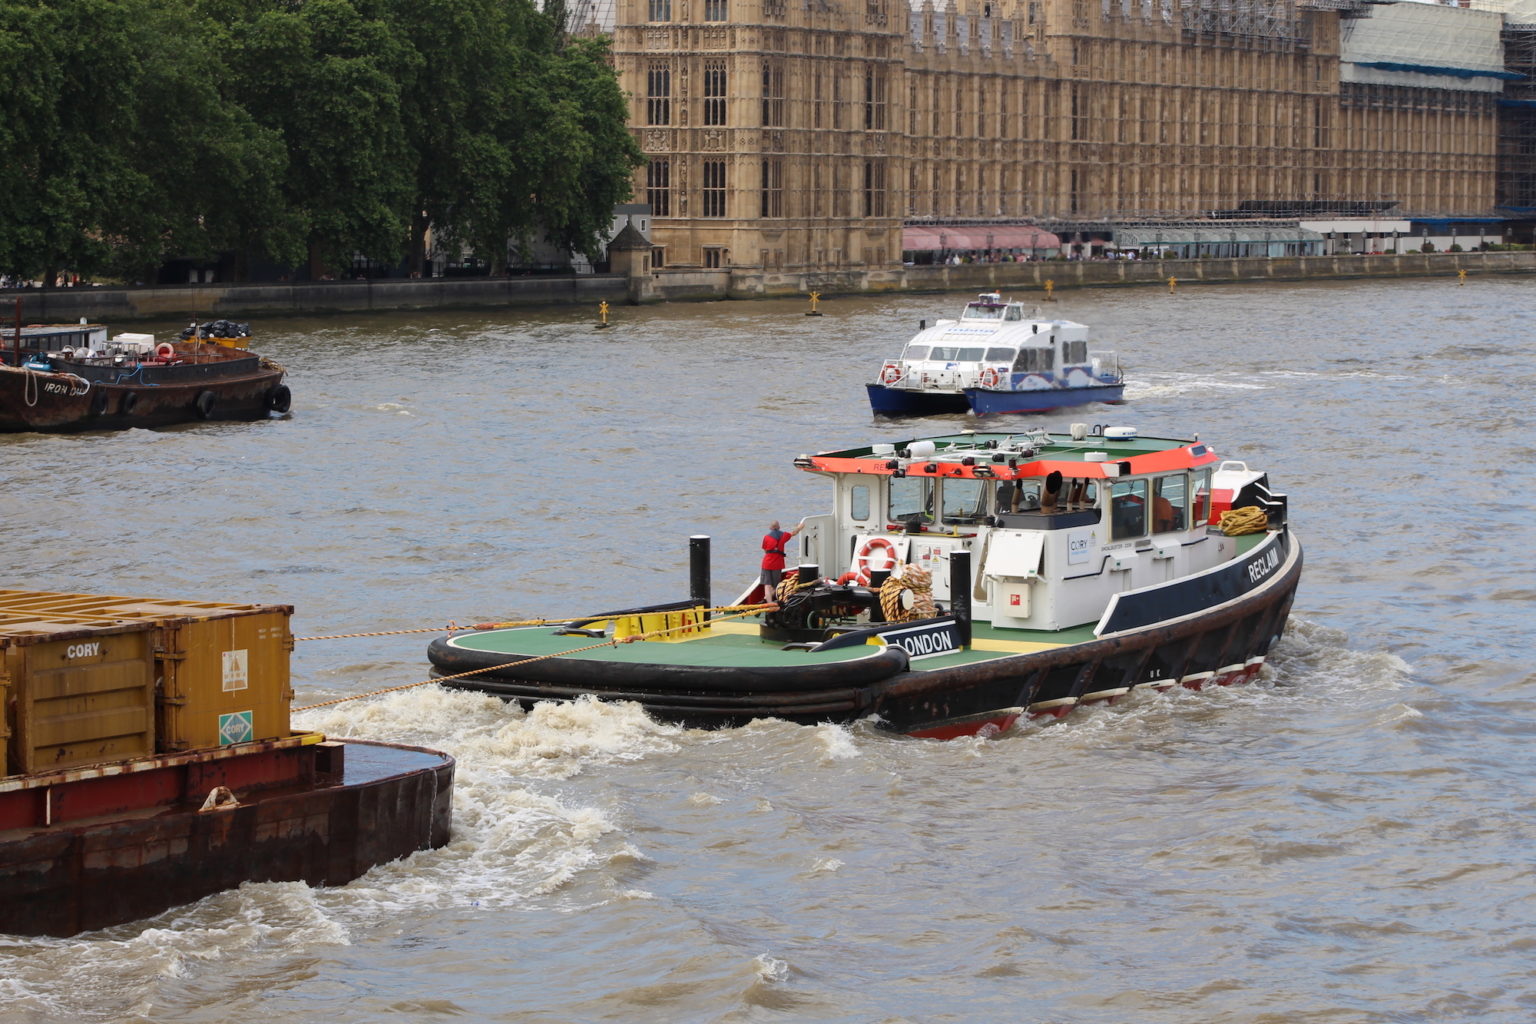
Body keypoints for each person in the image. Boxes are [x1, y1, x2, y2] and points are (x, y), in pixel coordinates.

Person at [760, 519, 804, 598]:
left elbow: (765, 550)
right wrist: (799, 527)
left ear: (770, 528)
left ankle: (768, 600)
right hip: (777, 564)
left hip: (766, 563)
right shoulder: (784, 535)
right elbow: (793, 533)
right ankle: (772, 598)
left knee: (767, 584)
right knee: (776, 585)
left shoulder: (766, 537)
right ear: (779, 527)